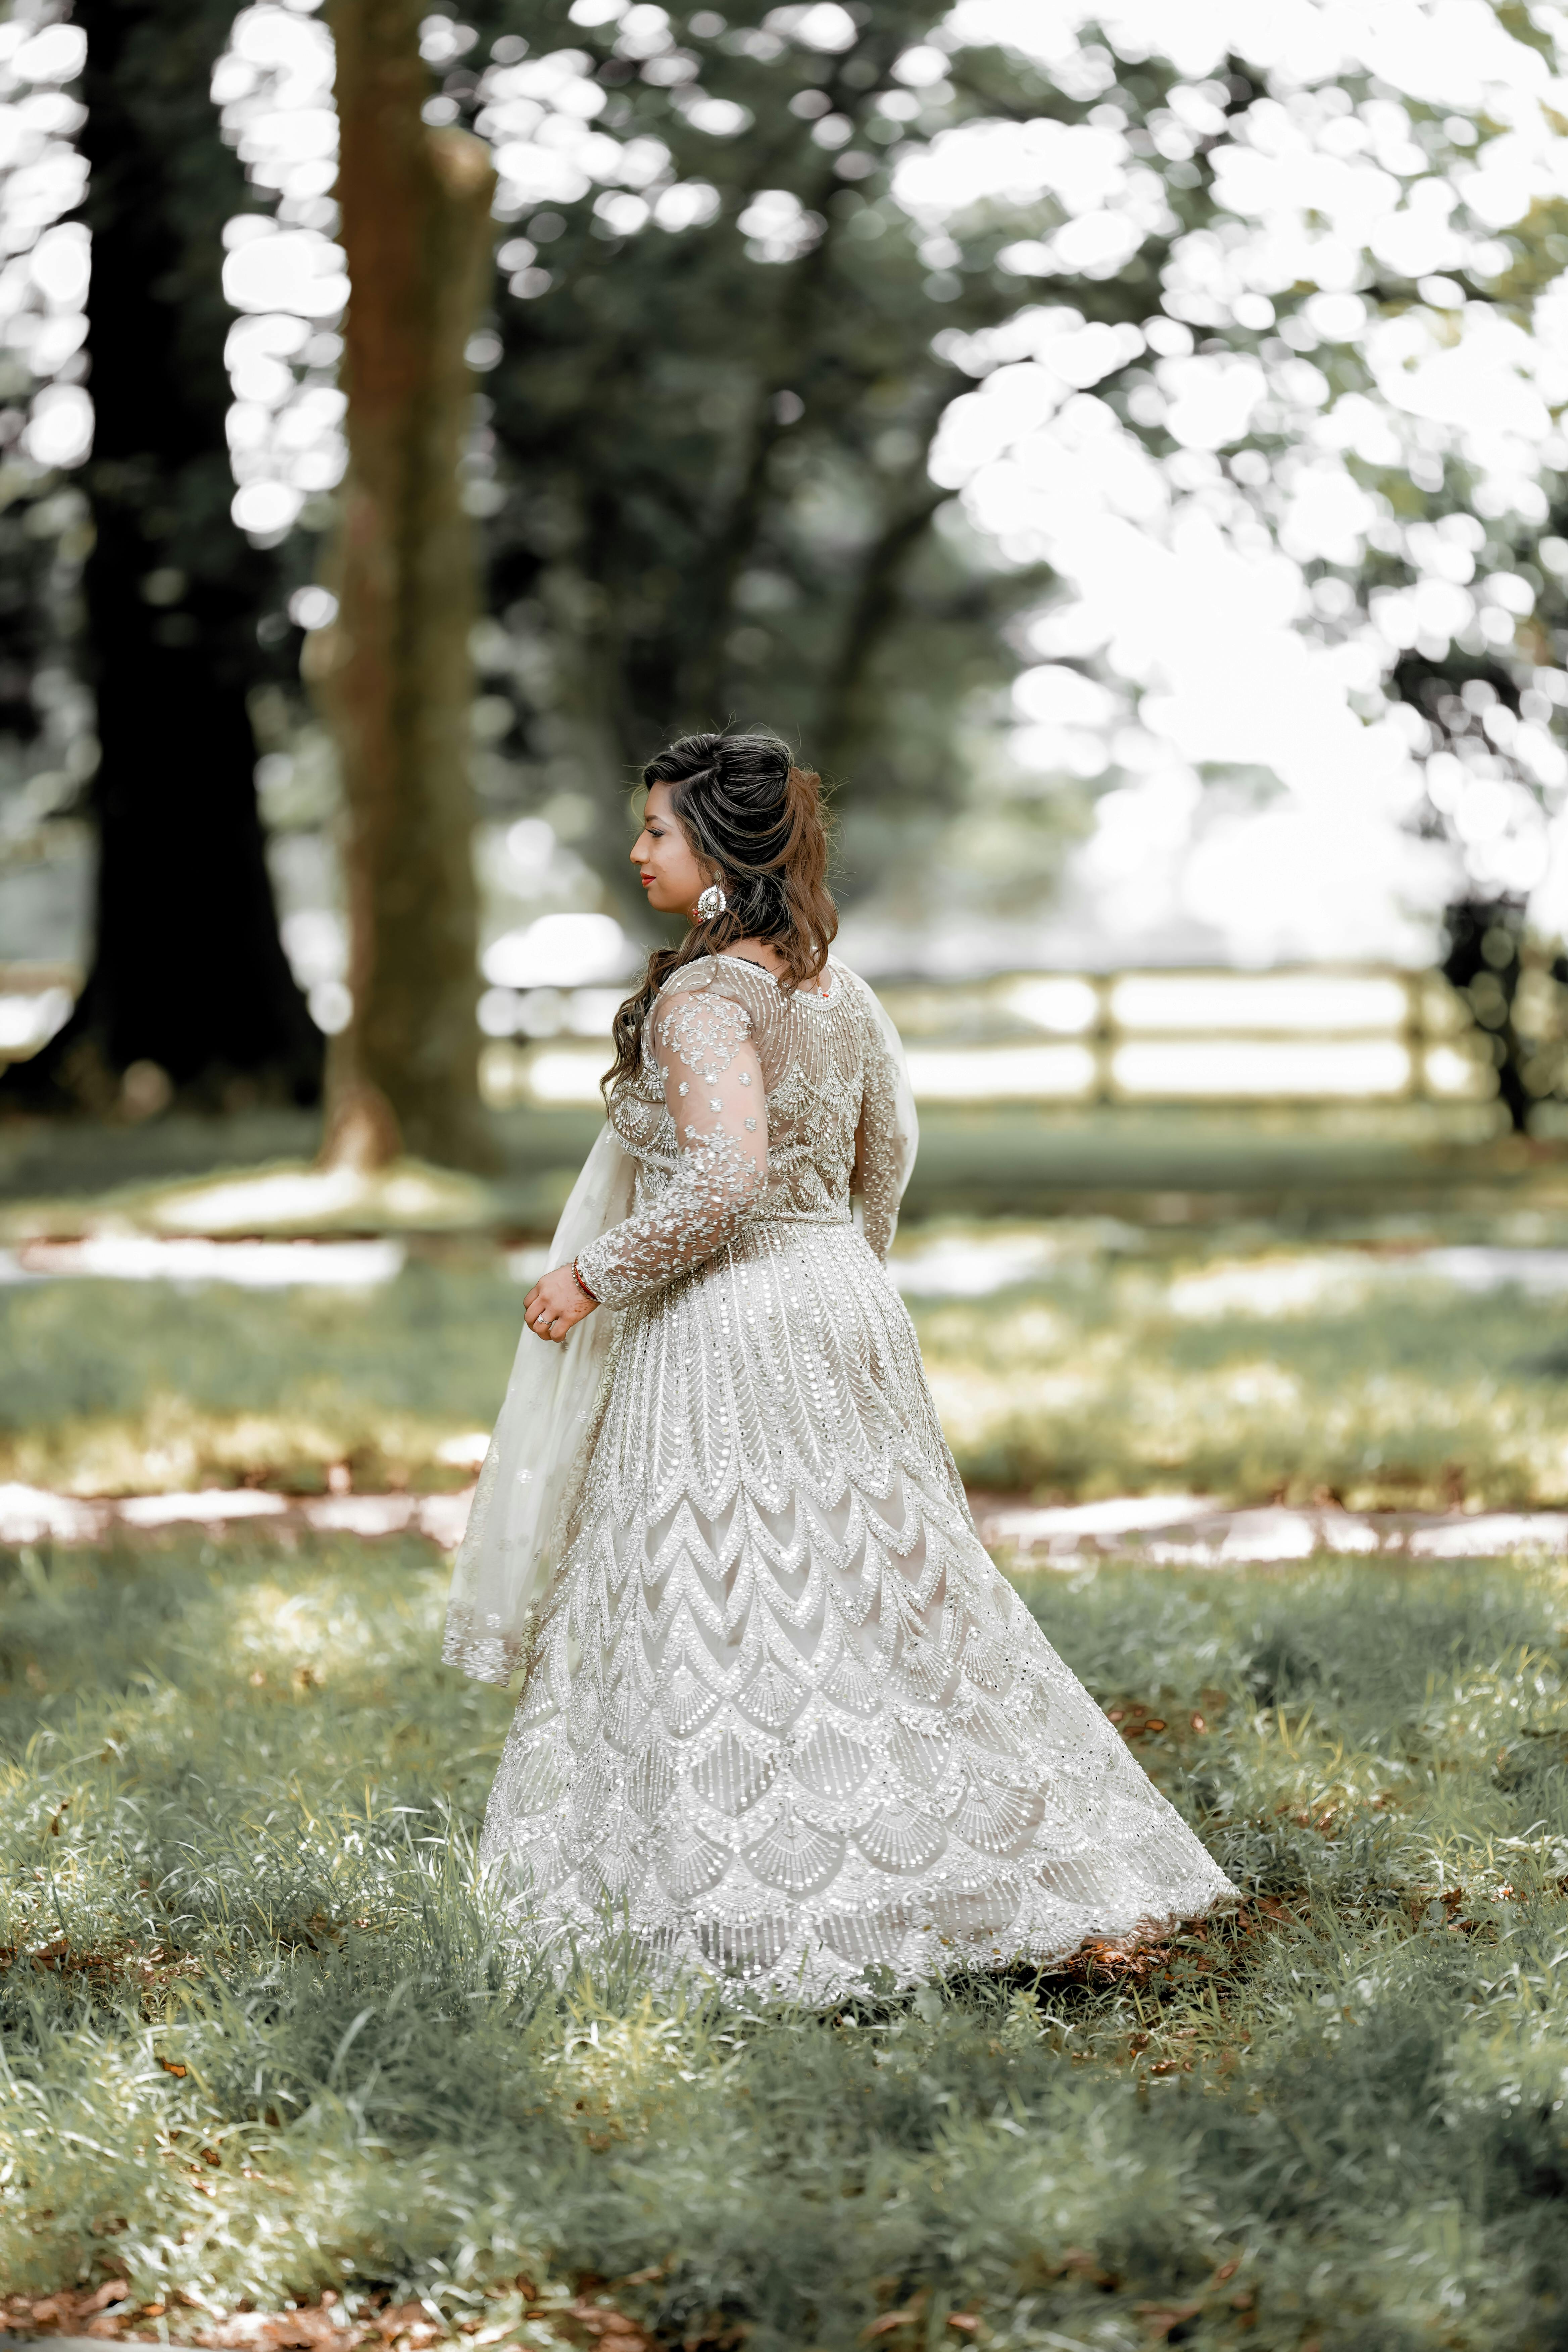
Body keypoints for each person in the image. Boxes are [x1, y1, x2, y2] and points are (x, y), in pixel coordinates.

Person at [444, 731, 1234, 1999]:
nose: (637, 849)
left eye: (658, 830)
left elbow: (723, 1178)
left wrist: (594, 1275)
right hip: (841, 1299)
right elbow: (886, 1162)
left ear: (718, 852)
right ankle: (956, 1875)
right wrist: (841, 1281)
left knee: (720, 1601)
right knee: (885, 1600)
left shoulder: (709, 998)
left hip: (730, 1319)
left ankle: (736, 1908)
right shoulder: (837, 990)